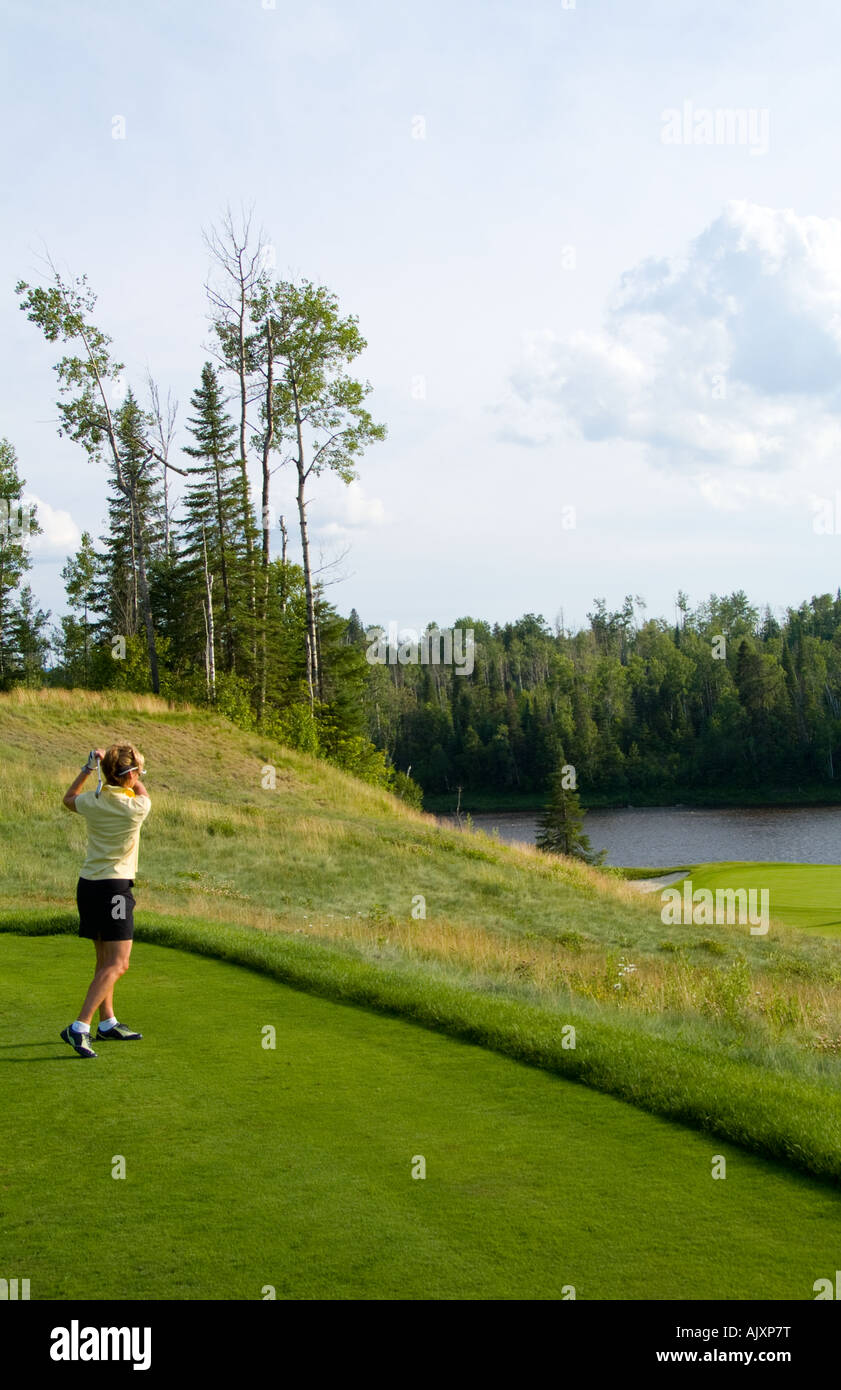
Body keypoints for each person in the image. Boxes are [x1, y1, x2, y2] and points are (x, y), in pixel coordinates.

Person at [59, 744, 152, 1059]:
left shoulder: (93, 800)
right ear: (130, 776)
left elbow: (68, 799)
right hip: (114, 890)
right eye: (138, 770)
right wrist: (127, 772)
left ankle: (107, 1022)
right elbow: (140, 790)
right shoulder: (136, 807)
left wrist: (89, 769)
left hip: (88, 887)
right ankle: (79, 1027)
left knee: (103, 961)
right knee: (118, 963)